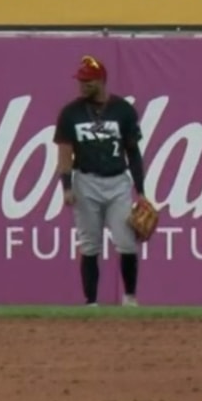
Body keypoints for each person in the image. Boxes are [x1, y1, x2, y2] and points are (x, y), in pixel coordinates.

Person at [54, 56, 148, 307]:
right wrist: (66, 186)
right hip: (86, 181)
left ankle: (129, 298)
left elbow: (133, 152)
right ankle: (91, 302)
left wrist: (141, 191)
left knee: (127, 242)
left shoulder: (123, 110)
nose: (82, 85)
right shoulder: (70, 113)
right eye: (81, 80)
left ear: (100, 80)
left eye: (88, 80)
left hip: (118, 182)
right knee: (89, 244)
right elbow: (64, 153)